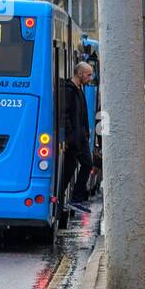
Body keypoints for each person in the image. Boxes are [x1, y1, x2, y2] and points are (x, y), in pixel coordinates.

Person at [61, 62, 95, 214]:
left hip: (80, 137)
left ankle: (74, 199)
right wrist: (70, 136)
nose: (90, 77)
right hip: (74, 139)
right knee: (75, 166)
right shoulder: (69, 91)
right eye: (88, 74)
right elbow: (66, 115)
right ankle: (72, 199)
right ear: (79, 74)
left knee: (84, 164)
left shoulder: (79, 91)